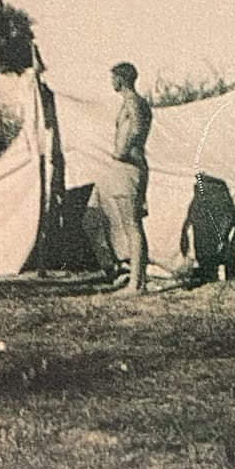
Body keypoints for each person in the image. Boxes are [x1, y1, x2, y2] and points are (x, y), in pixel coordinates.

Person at [86, 62, 153, 295]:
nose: (111, 82)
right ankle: (134, 279)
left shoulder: (134, 102)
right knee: (128, 223)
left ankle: (137, 284)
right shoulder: (130, 102)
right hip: (125, 167)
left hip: (130, 166)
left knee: (133, 225)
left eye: (113, 78)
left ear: (120, 79)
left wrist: (122, 151)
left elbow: (136, 128)